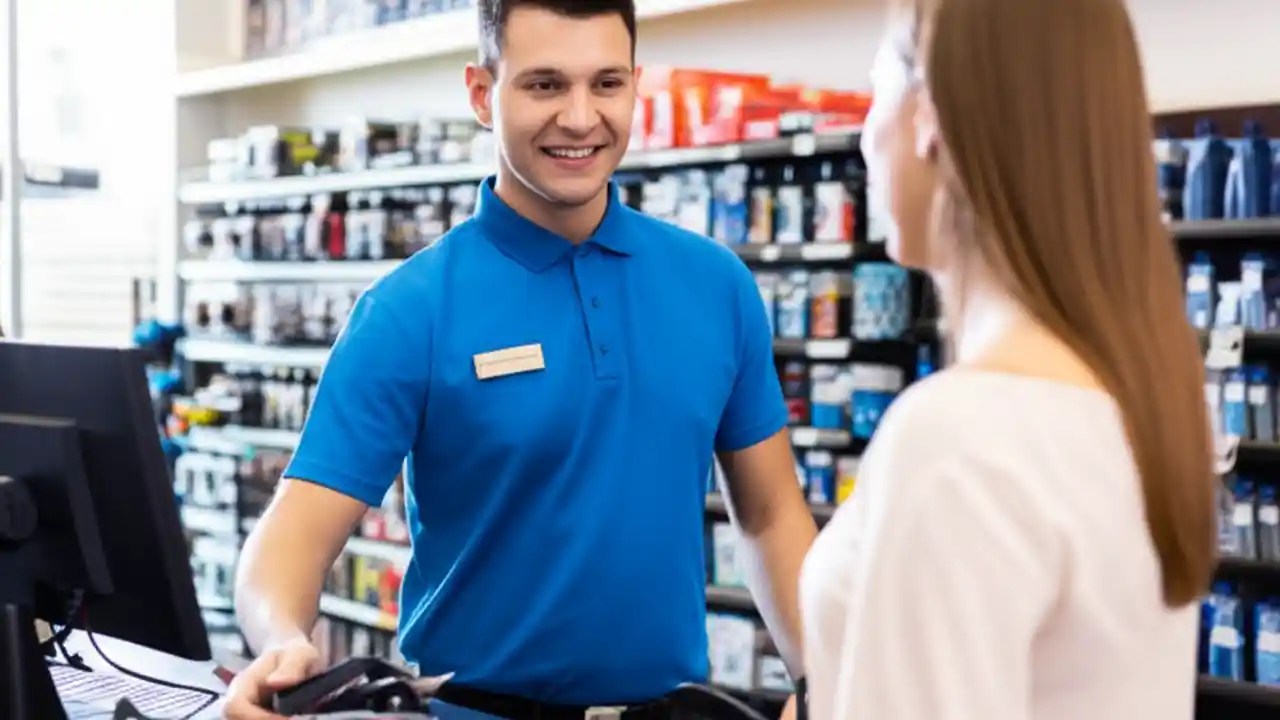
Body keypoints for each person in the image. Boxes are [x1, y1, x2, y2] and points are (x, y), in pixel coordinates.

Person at [223, 1, 819, 718]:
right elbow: (293, 531)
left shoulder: (715, 284)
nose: (579, 118)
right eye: (544, 85)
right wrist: (281, 639)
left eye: (605, 84)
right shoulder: (409, 310)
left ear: (634, 85)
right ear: (482, 93)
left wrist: (823, 675)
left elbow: (770, 513)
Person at [796, 0, 1217, 718]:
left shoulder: (960, 438)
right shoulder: (1139, 399)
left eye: (876, 91)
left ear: (929, 117)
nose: (866, 135)